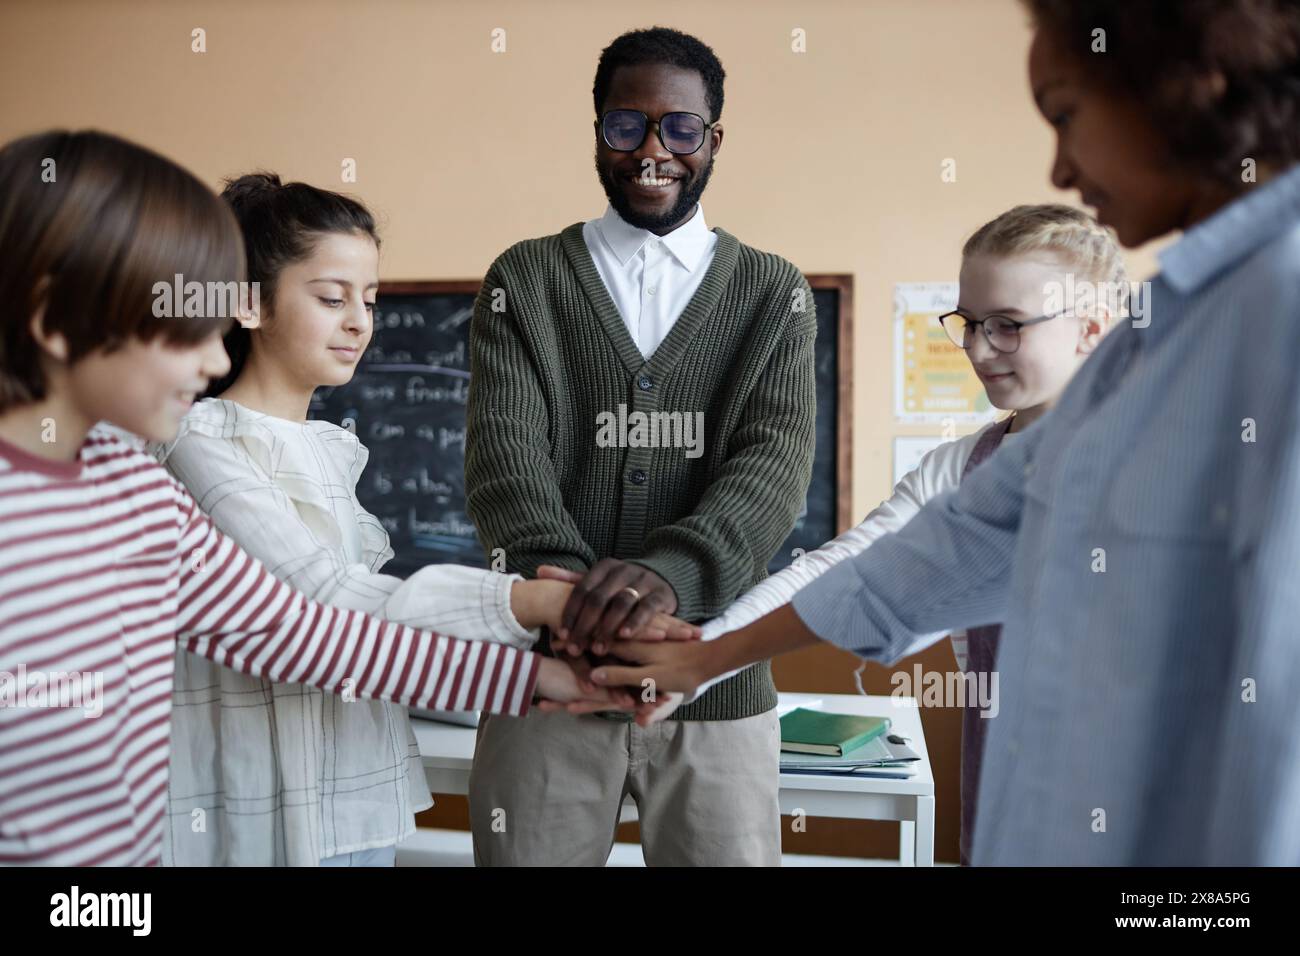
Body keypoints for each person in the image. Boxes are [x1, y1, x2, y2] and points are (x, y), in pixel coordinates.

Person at [589, 0, 1300, 865]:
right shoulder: (1158, 350)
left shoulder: (1273, 312)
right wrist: (705, 660)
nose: (1063, 166)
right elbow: (925, 557)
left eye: (1068, 113)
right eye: (969, 323)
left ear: (1191, 82)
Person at [0, 129, 633, 866]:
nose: (212, 355)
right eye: (181, 321)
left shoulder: (131, 487)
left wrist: (544, 680)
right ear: (53, 319)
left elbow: (302, 634)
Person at [465, 27, 817, 865]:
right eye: (626, 125)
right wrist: (576, 607)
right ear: (597, 132)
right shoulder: (526, 278)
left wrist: (665, 580)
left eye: (681, 128)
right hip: (545, 683)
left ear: (713, 139)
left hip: (714, 686)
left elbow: (771, 472)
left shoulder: (773, 291)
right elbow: (503, 465)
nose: (653, 150)